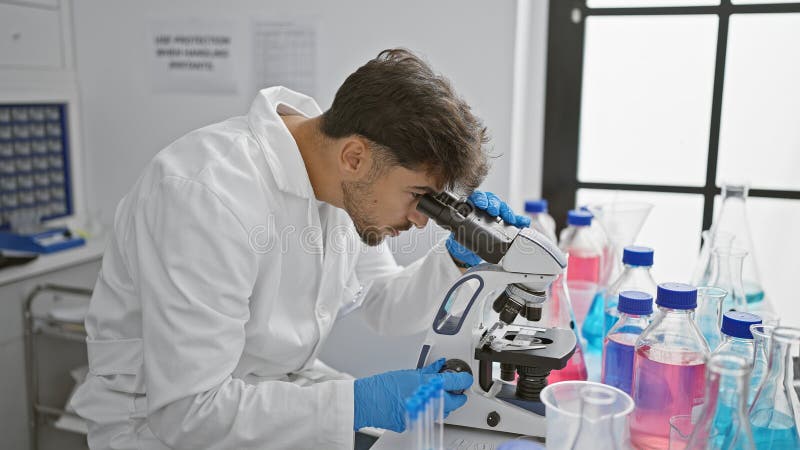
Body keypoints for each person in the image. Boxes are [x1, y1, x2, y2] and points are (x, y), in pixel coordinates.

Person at [71, 48, 530, 449]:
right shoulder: (205, 193)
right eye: (417, 197)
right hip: (161, 433)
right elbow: (189, 411)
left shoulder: (344, 186)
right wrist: (360, 403)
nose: (421, 219)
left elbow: (384, 305)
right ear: (355, 156)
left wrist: (453, 258)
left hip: (271, 406)